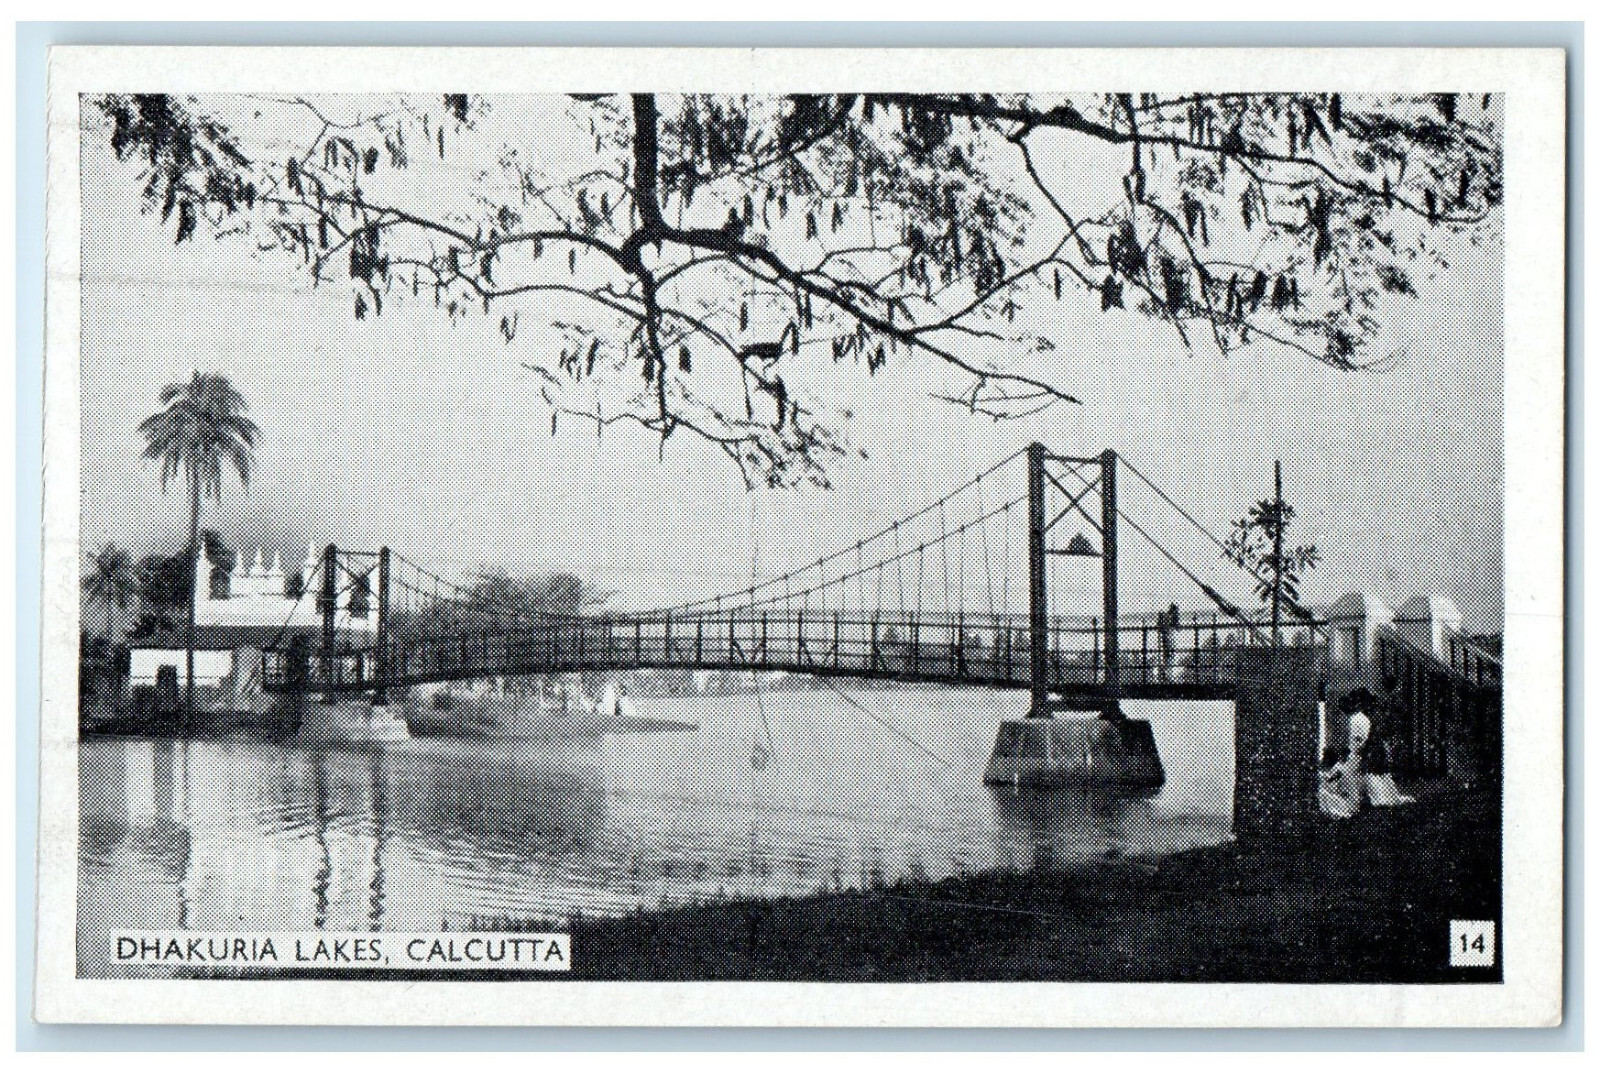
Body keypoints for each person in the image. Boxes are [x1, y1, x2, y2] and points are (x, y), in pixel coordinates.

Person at [1363, 727, 1416, 806]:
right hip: (1373, 774)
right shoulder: (1370, 776)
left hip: (1379, 772)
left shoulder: (1381, 746)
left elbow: (1383, 759)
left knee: (1391, 797)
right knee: (1381, 799)